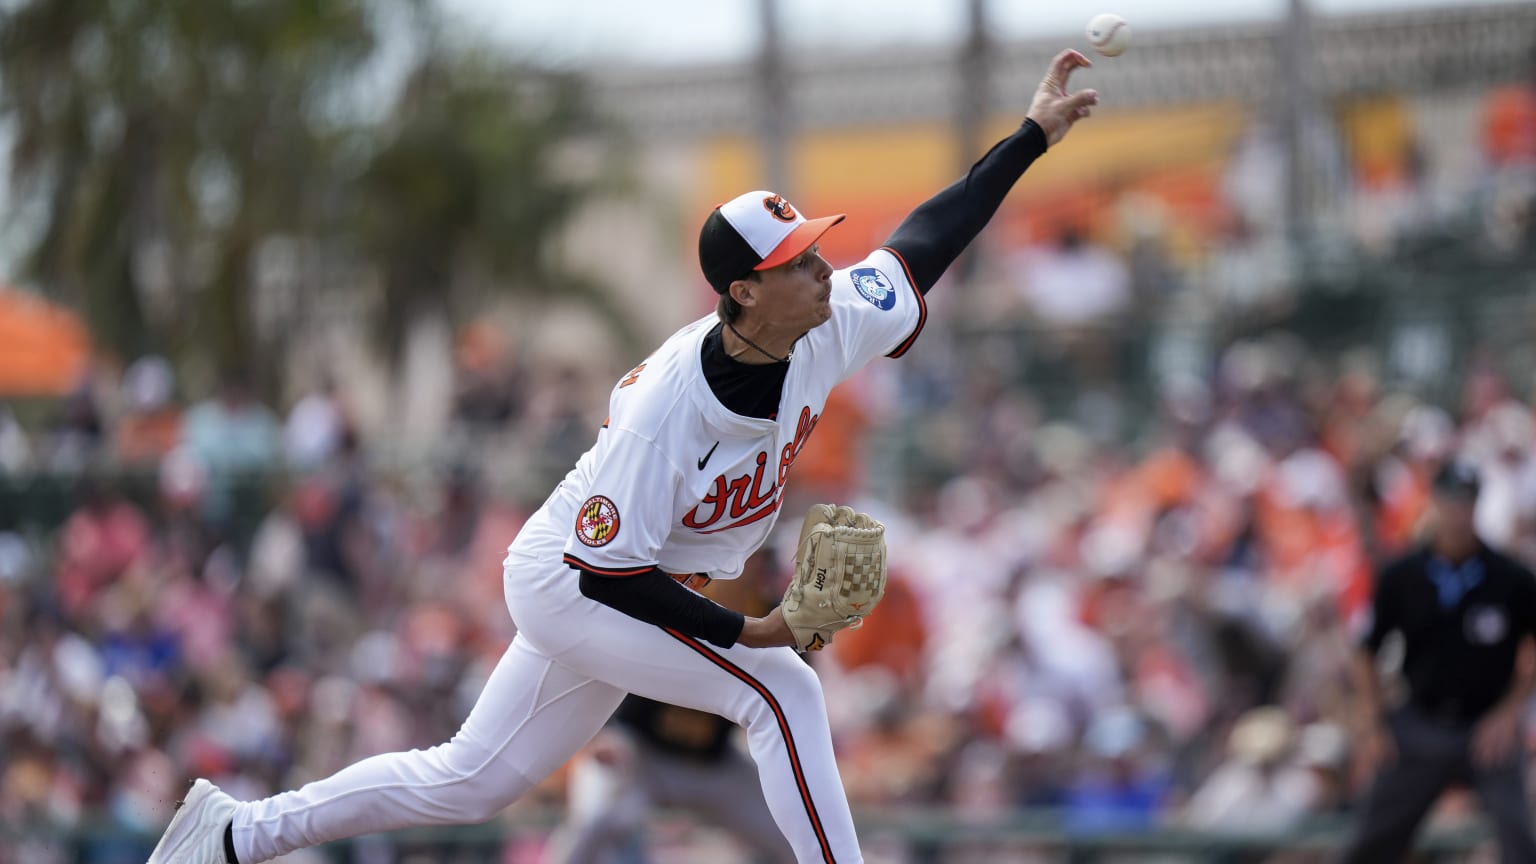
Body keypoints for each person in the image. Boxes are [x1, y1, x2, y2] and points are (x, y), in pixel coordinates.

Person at [145, 49, 1100, 864]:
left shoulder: (826, 320)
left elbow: (920, 245)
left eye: (816, 251)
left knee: (472, 781)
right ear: (742, 294)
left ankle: (233, 836)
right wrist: (748, 634)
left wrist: (1027, 137)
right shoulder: (666, 409)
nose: (824, 269)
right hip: (577, 580)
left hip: (631, 576)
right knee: (781, 689)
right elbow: (613, 571)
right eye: (800, 260)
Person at [1340, 461, 1536, 863]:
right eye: (1450, 500)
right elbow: (1365, 649)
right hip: (1420, 722)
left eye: (1466, 501)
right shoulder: (1402, 575)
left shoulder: (1510, 577)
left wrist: (1509, 711)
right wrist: (1374, 721)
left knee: (1521, 841)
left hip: (1486, 729)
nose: (1458, 511)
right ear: (1435, 503)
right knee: (1370, 844)